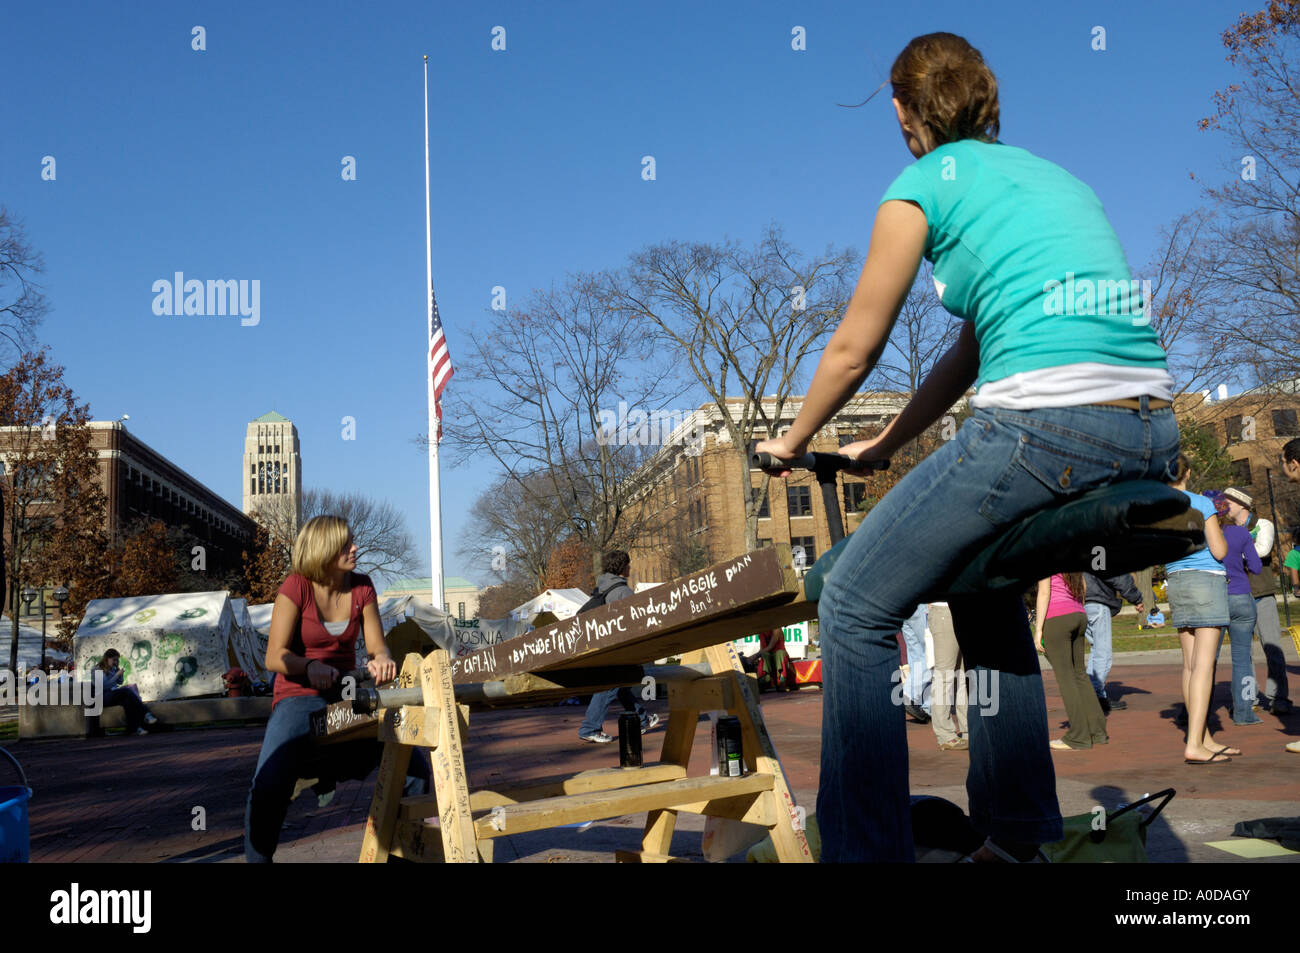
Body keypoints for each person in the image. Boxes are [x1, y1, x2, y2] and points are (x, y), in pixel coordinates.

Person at [755, 32, 1178, 861]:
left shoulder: (916, 188)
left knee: (852, 603)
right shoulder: (1055, 179)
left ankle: (864, 853)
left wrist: (793, 438)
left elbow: (855, 348)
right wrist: (883, 442)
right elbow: (969, 353)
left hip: (1041, 427)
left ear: (901, 110)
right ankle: (1016, 842)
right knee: (985, 588)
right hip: (1150, 429)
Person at [244, 515, 428, 863]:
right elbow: (274, 656)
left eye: (352, 542)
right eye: (345, 545)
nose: (355, 548)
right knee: (268, 783)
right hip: (298, 695)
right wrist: (309, 667)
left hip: (347, 692)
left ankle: (401, 856)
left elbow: (378, 647)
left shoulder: (362, 587)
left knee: (413, 768)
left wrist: (382, 660)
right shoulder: (296, 587)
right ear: (323, 550)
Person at [1164, 456, 1235, 764]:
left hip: (1176, 581)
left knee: (1190, 666)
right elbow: (1219, 550)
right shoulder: (1202, 503)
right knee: (1204, 666)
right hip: (1206, 580)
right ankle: (1194, 744)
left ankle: (1203, 737)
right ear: (1188, 473)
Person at [578, 551, 660, 743]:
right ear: (622, 567)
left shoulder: (601, 588)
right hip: (617, 649)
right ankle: (590, 728)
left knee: (621, 684)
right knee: (610, 685)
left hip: (602, 647)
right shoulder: (623, 592)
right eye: (628, 564)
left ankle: (641, 719)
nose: (630, 567)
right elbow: (637, 621)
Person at [1222, 487, 1290, 715]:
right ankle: (1248, 697)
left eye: (1228, 502)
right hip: (1236, 595)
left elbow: (1262, 549)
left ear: (1242, 504)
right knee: (1243, 653)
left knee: (1272, 647)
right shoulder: (1225, 528)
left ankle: (1278, 697)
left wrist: (1234, 552)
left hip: (1261, 595)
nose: (1224, 506)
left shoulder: (1263, 524)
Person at [1035, 574, 1108, 749]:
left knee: (1066, 678)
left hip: (1056, 617)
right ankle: (1097, 732)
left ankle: (1078, 737)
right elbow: (1083, 587)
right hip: (1078, 614)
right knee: (1080, 675)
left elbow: (1044, 592)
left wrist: (1038, 630)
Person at [1218, 489, 1263, 727]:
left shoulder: (1204, 535)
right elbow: (1256, 567)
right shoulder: (1240, 532)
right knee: (1243, 659)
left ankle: (1195, 711)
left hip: (1216, 599)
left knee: (1206, 660)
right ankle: (1244, 713)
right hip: (1242, 597)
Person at [1081, 571, 1144, 711]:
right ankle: (1096, 695)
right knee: (1103, 653)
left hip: (1081, 604)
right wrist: (1136, 598)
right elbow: (1117, 576)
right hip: (1097, 602)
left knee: (1096, 650)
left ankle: (1092, 692)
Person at [927, 602, 968, 750]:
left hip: (963, 610)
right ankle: (945, 735)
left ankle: (967, 730)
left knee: (963, 676)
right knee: (944, 677)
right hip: (945, 611)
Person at [98, 649, 159, 735]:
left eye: (117, 660)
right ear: (107, 658)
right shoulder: (98, 669)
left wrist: (120, 674)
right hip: (102, 697)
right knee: (126, 690)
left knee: (127, 702)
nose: (116, 662)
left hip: (113, 695)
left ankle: (135, 728)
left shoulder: (113, 668)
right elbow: (105, 685)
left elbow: (120, 682)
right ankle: (146, 714)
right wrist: (117, 675)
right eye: (114, 660)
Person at [899, 604, 932, 723]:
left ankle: (926, 707)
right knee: (930, 656)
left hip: (904, 607)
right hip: (922, 606)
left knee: (917, 657)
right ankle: (909, 694)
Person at [757, 627, 796, 692]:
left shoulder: (777, 628)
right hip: (769, 656)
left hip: (780, 655)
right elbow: (762, 649)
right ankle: (765, 679)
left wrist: (753, 656)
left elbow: (770, 646)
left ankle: (782, 679)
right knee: (765, 654)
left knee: (779, 653)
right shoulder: (761, 632)